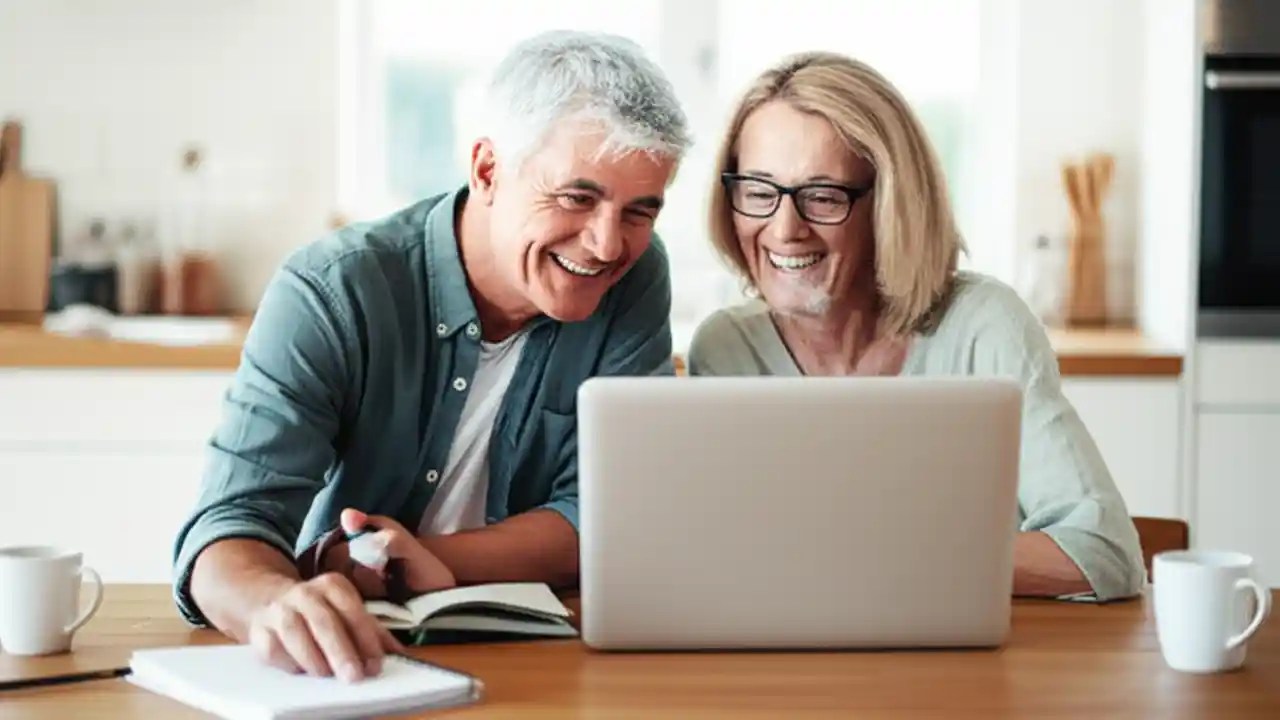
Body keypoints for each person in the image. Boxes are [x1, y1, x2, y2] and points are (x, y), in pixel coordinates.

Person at [172, 30, 690, 681]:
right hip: (355, 660)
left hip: (541, 659)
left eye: (640, 211)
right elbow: (227, 533)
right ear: (487, 170)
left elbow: (611, 515)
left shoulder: (636, 280)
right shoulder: (335, 289)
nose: (609, 245)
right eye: (577, 198)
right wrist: (276, 604)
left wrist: (435, 558)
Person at [687, 51, 1145, 603]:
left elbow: (1106, 555)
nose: (785, 230)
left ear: (890, 205)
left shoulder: (983, 328)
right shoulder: (726, 350)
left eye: (823, 196)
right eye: (759, 192)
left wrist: (870, 561)